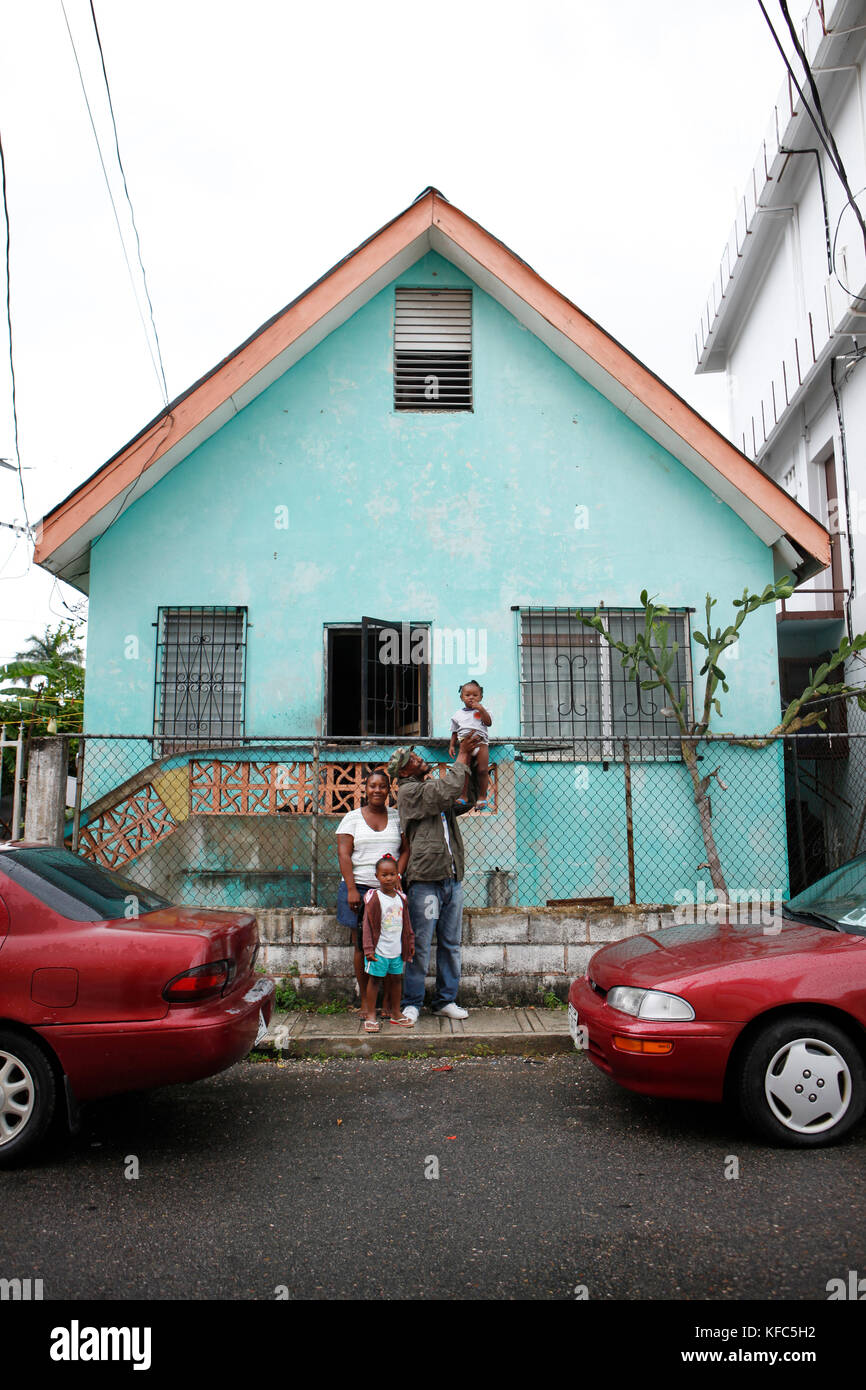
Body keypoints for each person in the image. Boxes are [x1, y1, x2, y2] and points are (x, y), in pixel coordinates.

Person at [386, 734, 481, 1024]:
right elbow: (445, 791)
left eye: (416, 756)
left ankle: (445, 1000)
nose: (419, 759)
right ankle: (412, 1002)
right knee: (420, 944)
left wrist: (474, 768)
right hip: (426, 880)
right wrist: (461, 757)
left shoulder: (430, 789)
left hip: (451, 878)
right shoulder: (409, 793)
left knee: (451, 944)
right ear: (403, 772)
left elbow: (464, 798)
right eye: (412, 760)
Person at [335, 769, 408, 1020]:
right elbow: (344, 854)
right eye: (372, 786)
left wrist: (398, 876)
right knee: (361, 944)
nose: (377, 790)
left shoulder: (398, 817)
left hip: (389, 891)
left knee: (390, 944)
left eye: (382, 786)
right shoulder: (352, 818)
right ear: (365, 789)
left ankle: (388, 1003)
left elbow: (406, 850)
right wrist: (352, 888)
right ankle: (367, 1003)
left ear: (389, 790)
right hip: (360, 889)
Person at [360, 855, 415, 1034]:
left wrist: (410, 943)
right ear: (377, 876)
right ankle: (370, 1015)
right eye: (384, 875)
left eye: (392, 874)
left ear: (398, 875)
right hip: (379, 950)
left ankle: (396, 1012)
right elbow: (367, 926)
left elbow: (407, 924)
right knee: (375, 980)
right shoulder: (374, 898)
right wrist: (368, 949)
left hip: (396, 950)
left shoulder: (401, 898)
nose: (388, 878)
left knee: (397, 980)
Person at [448, 680, 492, 809]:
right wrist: (451, 745)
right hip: (464, 746)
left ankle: (482, 797)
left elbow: (488, 722)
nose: (471, 697)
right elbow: (454, 732)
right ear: (462, 698)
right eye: (467, 695)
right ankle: (463, 796)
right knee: (464, 771)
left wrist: (481, 710)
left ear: (481, 697)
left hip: (481, 744)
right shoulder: (458, 714)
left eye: (475, 695)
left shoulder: (485, 710)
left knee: (483, 770)